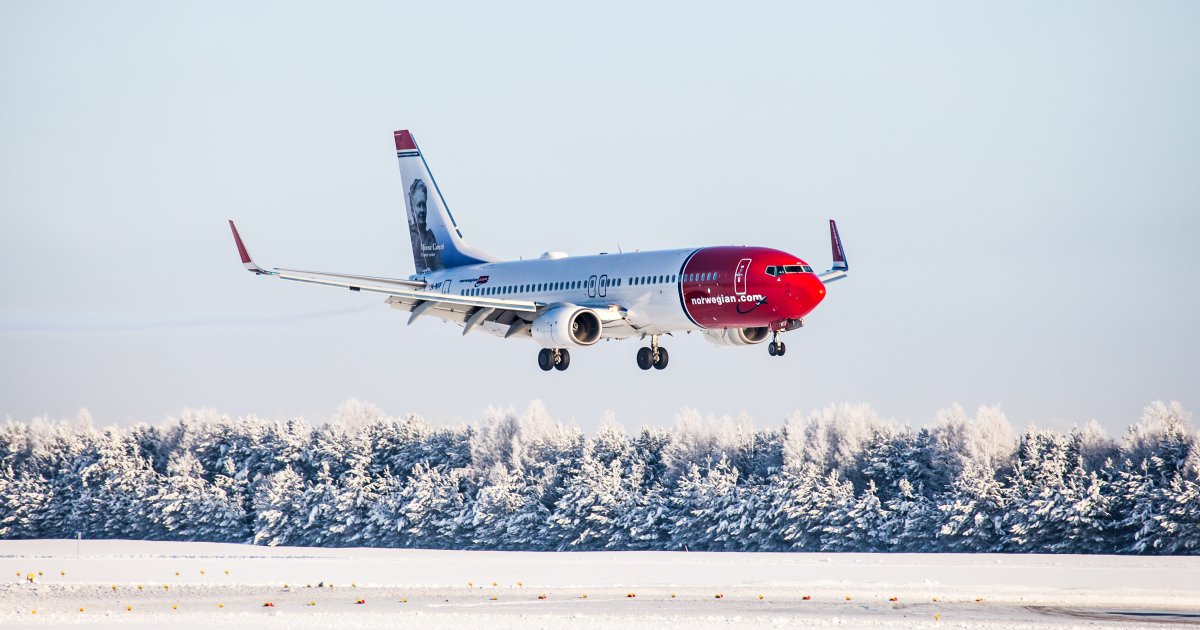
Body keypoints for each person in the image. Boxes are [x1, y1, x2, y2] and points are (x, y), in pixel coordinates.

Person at [408, 179, 443, 272]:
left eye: (424, 205)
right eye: (419, 205)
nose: (422, 210)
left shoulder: (430, 237)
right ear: (412, 210)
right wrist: (422, 272)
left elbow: (439, 265)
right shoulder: (412, 236)